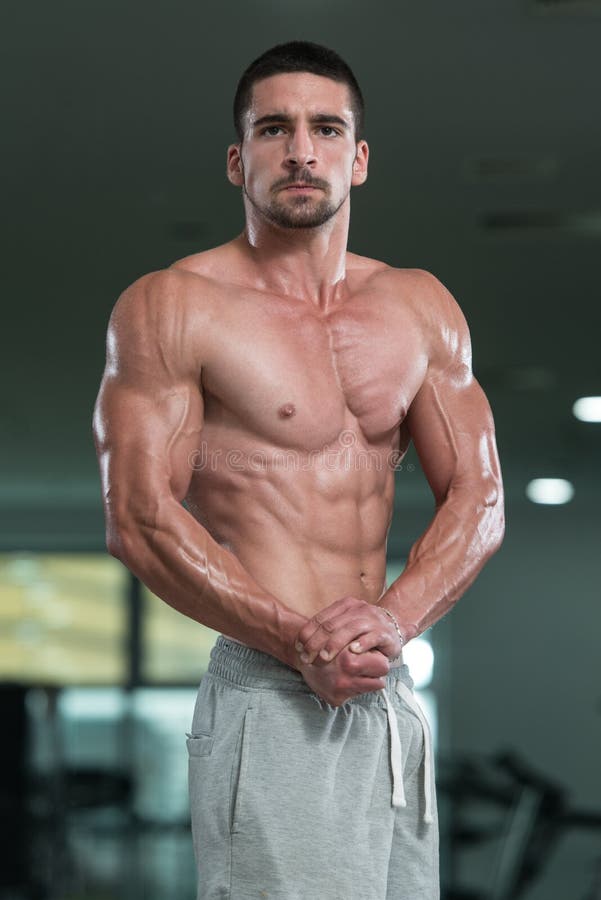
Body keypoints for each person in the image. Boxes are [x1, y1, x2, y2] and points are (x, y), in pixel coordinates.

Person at [93, 40, 504, 900]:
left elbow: (479, 496)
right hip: (271, 687)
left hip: (386, 691)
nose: (301, 150)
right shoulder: (172, 305)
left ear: (357, 158)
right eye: (274, 128)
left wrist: (387, 627)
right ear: (239, 159)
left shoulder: (419, 306)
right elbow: (138, 519)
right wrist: (298, 641)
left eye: (325, 128)